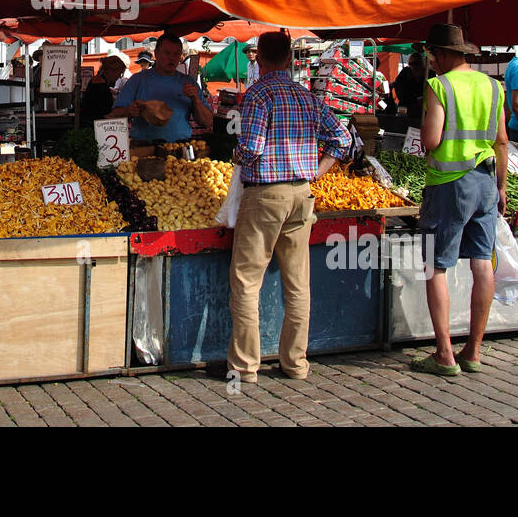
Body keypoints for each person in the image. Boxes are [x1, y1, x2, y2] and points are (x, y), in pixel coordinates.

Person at [229, 31, 352, 383]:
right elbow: (342, 139)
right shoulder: (306, 96)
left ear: (258, 60)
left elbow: (251, 147)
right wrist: (316, 170)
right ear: (288, 60)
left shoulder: (258, 94)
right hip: (302, 194)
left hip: (265, 195)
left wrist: (236, 156)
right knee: (298, 284)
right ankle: (295, 364)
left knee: (247, 281)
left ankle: (245, 367)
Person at [414, 23, 508, 377]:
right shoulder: (492, 86)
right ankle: (474, 351)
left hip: (449, 184)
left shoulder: (440, 86)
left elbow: (432, 140)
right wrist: (500, 187)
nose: (432, 62)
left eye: (433, 55)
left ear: (443, 54)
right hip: (486, 181)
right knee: (482, 263)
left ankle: (444, 353)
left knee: (434, 265)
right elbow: (501, 140)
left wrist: (425, 124)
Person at [108, 33, 214, 142]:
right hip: (145, 149)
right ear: (156, 53)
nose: (172, 58)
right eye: (167, 53)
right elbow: (115, 115)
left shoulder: (188, 83)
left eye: (176, 54)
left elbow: (206, 122)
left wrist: (196, 99)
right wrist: (129, 111)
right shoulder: (137, 80)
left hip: (180, 148)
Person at [82, 56, 127, 124]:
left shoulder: (97, 81)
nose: (119, 77)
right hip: (95, 125)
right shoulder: (101, 86)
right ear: (111, 71)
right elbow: (105, 113)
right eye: (119, 73)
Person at [393, 52, 432, 126]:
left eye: (417, 63)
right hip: (405, 107)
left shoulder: (429, 73)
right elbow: (398, 87)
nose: (414, 66)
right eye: (411, 63)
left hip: (422, 110)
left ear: (422, 63)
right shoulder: (405, 72)